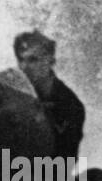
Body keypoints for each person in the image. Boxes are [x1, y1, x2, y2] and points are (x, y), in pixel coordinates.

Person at [13, 30, 84, 161]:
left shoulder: (70, 106)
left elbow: (65, 161)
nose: (24, 67)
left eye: (32, 59)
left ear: (50, 60)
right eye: (21, 59)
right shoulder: (15, 90)